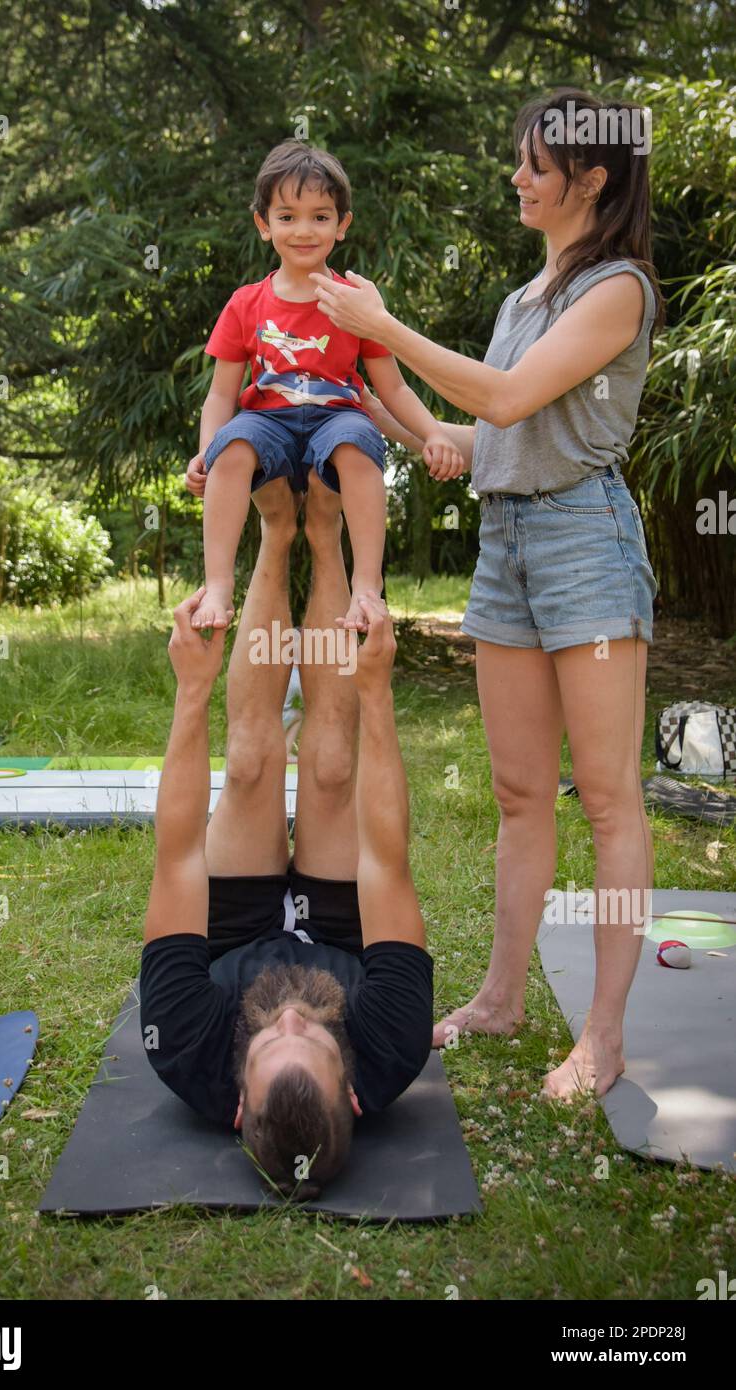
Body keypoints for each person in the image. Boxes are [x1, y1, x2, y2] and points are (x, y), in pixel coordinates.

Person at [309, 86, 665, 1100]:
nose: (514, 177)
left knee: (603, 796)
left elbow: (507, 395)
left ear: (587, 178)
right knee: (517, 792)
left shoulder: (616, 289)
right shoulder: (522, 301)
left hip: (582, 543)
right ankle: (502, 998)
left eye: (530, 164)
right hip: (506, 541)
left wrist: (389, 324)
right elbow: (493, 425)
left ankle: (601, 1034)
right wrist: (414, 418)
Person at [139, 477, 433, 1197]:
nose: (296, 1017)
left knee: (247, 762)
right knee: (332, 767)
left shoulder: (185, 1044)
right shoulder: (392, 1041)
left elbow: (177, 860)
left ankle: (274, 530)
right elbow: (386, 863)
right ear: (356, 1094)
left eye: (273, 1039)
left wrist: (192, 690)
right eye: (319, 1042)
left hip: (229, 940)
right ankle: (325, 529)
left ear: (237, 1100)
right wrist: (375, 690)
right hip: (343, 935)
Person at [184, 138, 464, 633]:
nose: (304, 230)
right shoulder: (245, 303)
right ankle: (219, 585)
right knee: (231, 447)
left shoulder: (356, 302)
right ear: (263, 225)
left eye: (320, 216)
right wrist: (206, 451)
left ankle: (367, 589)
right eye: (287, 216)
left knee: (358, 444)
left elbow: (392, 390)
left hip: (338, 415)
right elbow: (221, 395)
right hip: (266, 418)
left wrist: (433, 434)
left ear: (342, 226)